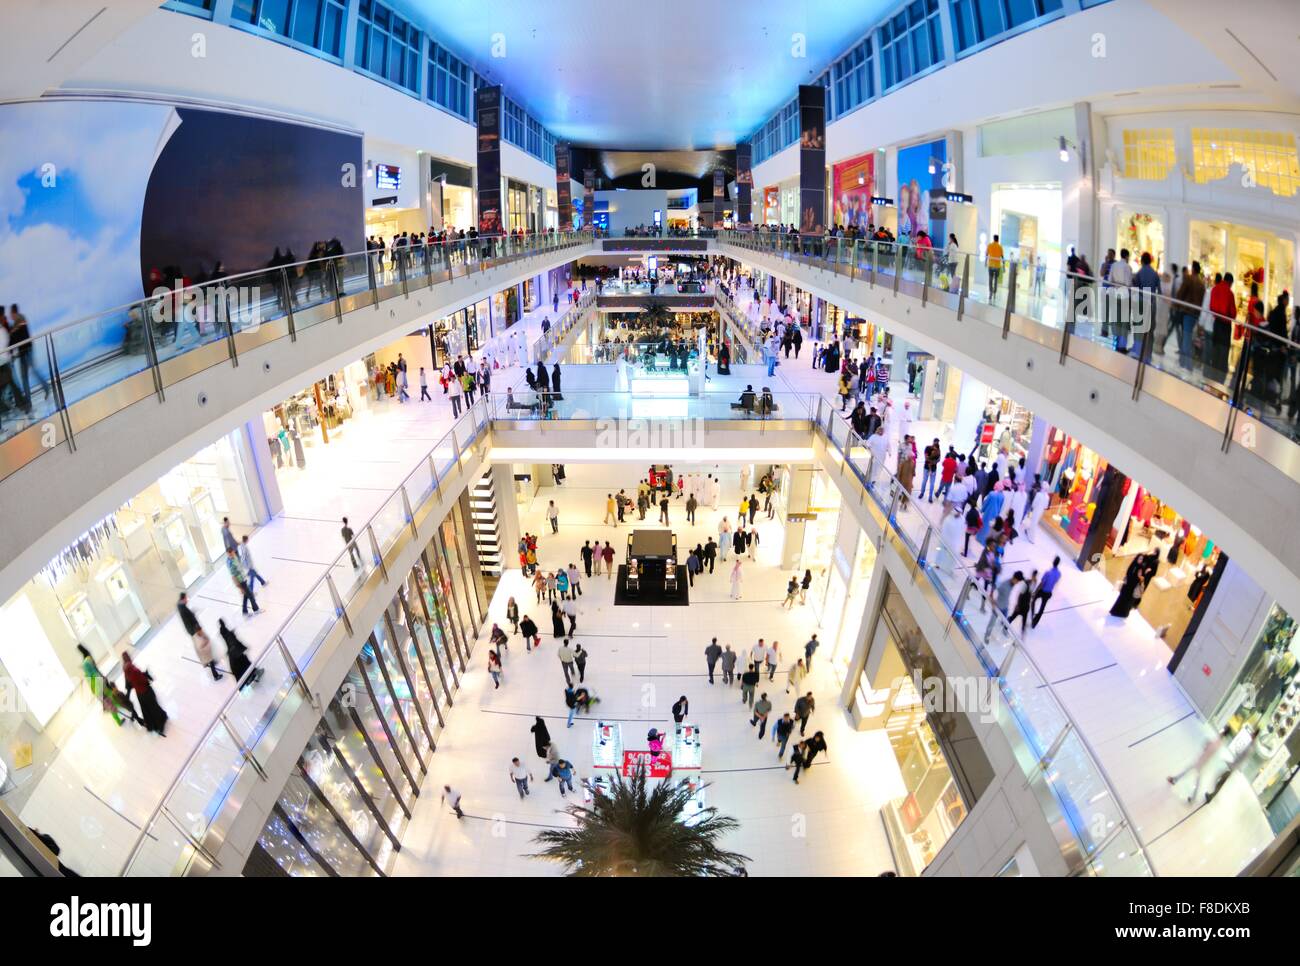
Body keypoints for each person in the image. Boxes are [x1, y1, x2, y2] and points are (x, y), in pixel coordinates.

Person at [78, 645, 135, 726]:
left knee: (111, 701)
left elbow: (94, 682)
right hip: (101, 688)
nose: (93, 662)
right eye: (92, 662)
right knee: (112, 701)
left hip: (98, 689)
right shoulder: (91, 668)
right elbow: (97, 676)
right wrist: (104, 681)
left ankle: (121, 712)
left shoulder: (87, 671)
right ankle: (123, 711)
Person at [121, 653, 168, 736]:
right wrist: (146, 677)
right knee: (153, 707)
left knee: (146, 710)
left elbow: (129, 683)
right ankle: (160, 725)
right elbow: (142, 680)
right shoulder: (134, 670)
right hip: (145, 691)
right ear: (128, 658)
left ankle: (152, 726)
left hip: (139, 694)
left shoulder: (126, 671)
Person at [178, 593, 221, 680]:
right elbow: (192, 621)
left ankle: (206, 662)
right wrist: (200, 631)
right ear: (184, 599)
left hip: (192, 632)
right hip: (196, 631)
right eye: (186, 598)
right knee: (206, 647)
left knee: (202, 648)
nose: (187, 600)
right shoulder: (184, 608)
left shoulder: (180, 606)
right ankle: (215, 674)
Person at [219, 619, 263, 689]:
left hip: (234, 654)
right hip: (237, 653)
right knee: (246, 664)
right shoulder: (228, 634)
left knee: (242, 666)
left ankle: (247, 679)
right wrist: (243, 647)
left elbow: (230, 641)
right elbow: (234, 642)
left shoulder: (224, 632)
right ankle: (253, 674)